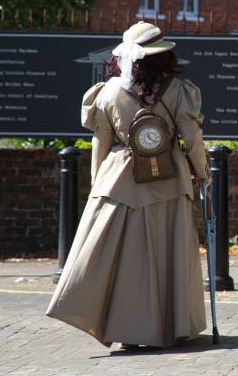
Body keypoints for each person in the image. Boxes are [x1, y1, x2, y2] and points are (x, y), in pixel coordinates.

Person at [46, 21, 209, 349]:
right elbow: (191, 138)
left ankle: (127, 331)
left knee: (124, 259)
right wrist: (201, 171)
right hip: (169, 181)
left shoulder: (106, 92)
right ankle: (170, 327)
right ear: (163, 57)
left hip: (120, 181)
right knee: (167, 253)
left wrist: (97, 183)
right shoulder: (178, 91)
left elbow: (100, 144)